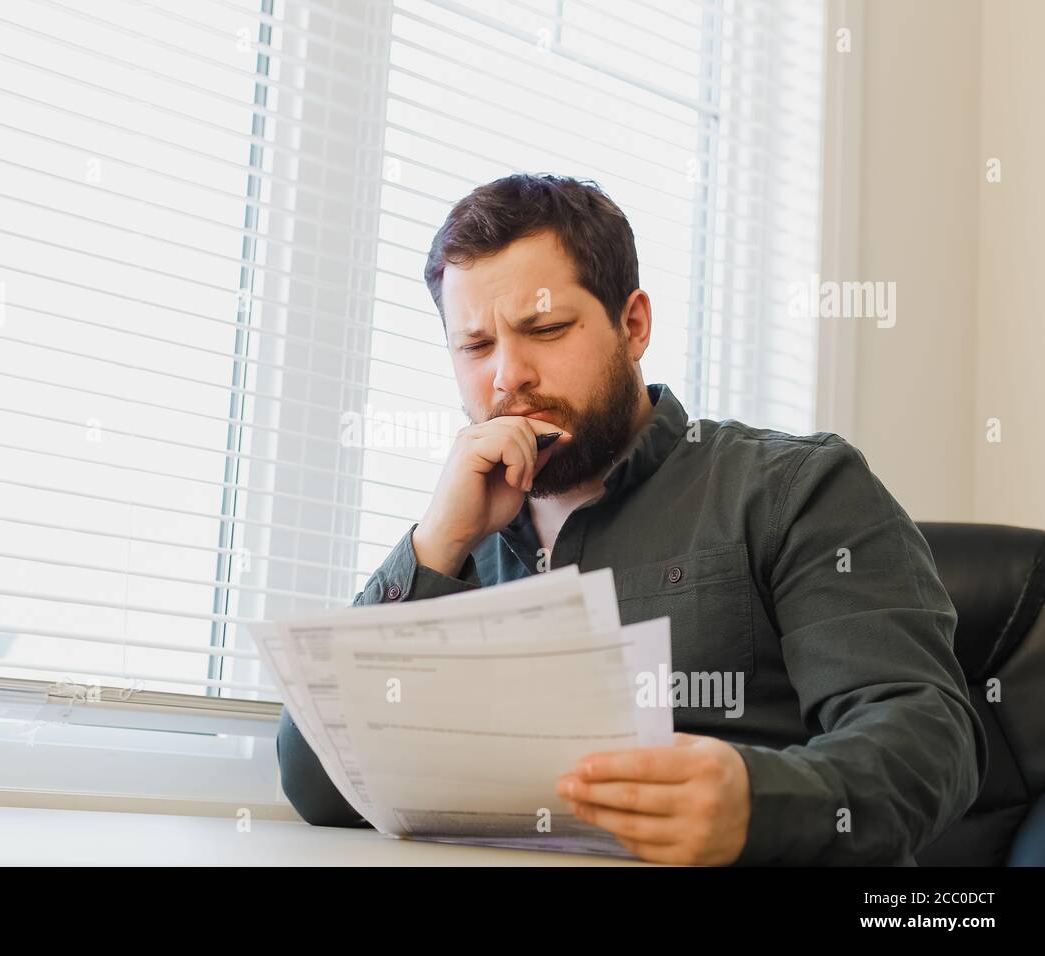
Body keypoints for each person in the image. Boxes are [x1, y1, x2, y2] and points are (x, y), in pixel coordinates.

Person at [276, 173, 986, 865]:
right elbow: (320, 785)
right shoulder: (461, 538)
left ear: (633, 324)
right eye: (476, 346)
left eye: (545, 328)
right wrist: (435, 546)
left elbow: (929, 741)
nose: (507, 377)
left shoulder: (795, 489)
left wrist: (759, 802)